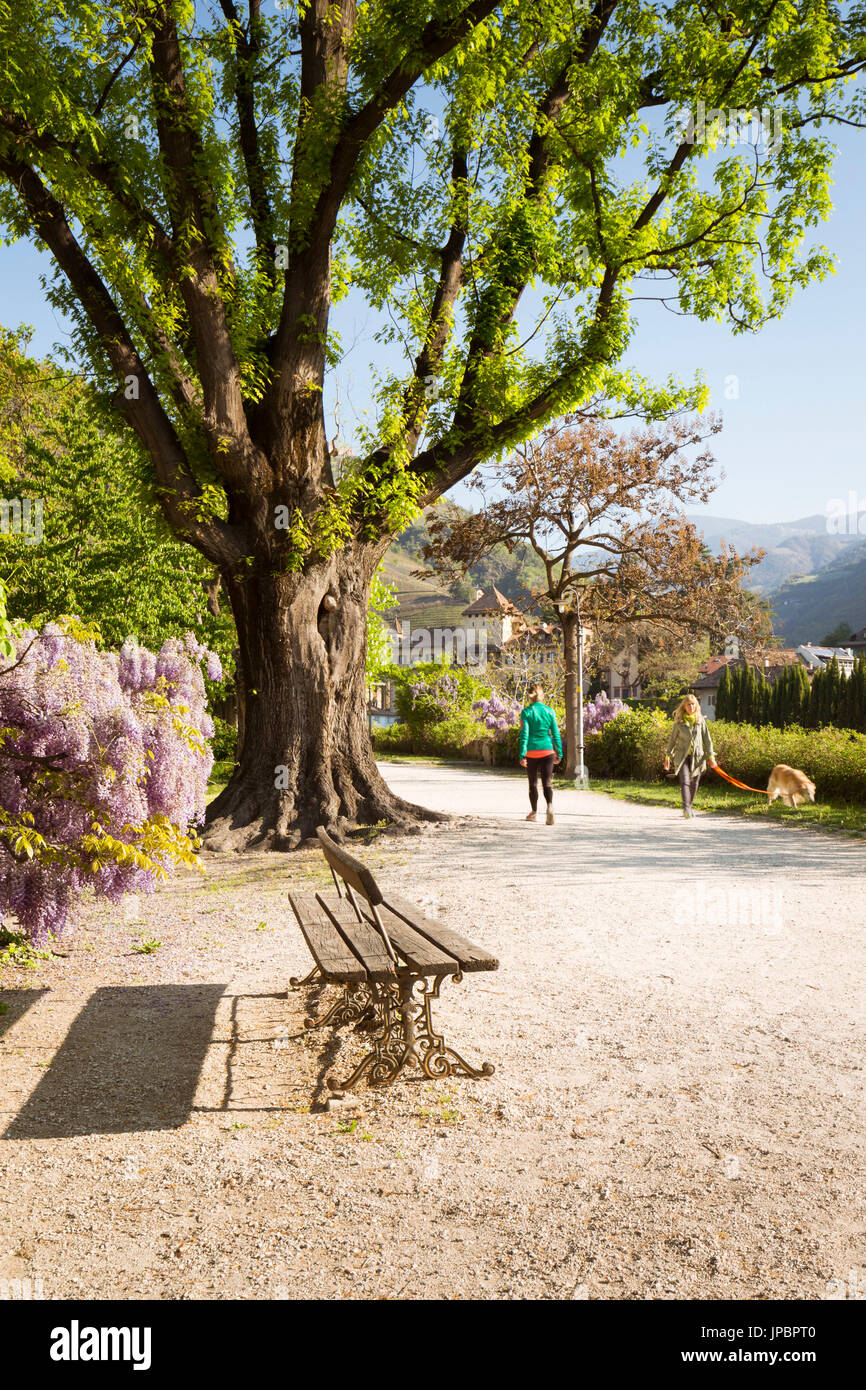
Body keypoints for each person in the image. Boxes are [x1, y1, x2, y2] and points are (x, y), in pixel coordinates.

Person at [663, 693, 718, 819]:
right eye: (688, 705)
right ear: (684, 706)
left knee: (695, 783)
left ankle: (688, 806)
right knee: (685, 781)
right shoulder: (679, 722)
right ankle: (686, 808)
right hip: (682, 757)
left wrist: (711, 758)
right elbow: (672, 741)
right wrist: (667, 758)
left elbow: (707, 740)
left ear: (696, 706)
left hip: (697, 758)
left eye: (693, 704)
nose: (691, 707)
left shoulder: (701, 721)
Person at [519, 683, 562, 825]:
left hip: (531, 752)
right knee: (547, 782)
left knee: (532, 784)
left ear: (530, 697)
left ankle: (534, 813)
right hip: (547, 750)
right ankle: (550, 805)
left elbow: (524, 735)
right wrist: (559, 752)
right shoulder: (550, 711)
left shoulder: (526, 712)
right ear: (542, 695)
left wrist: (522, 754)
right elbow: (555, 733)